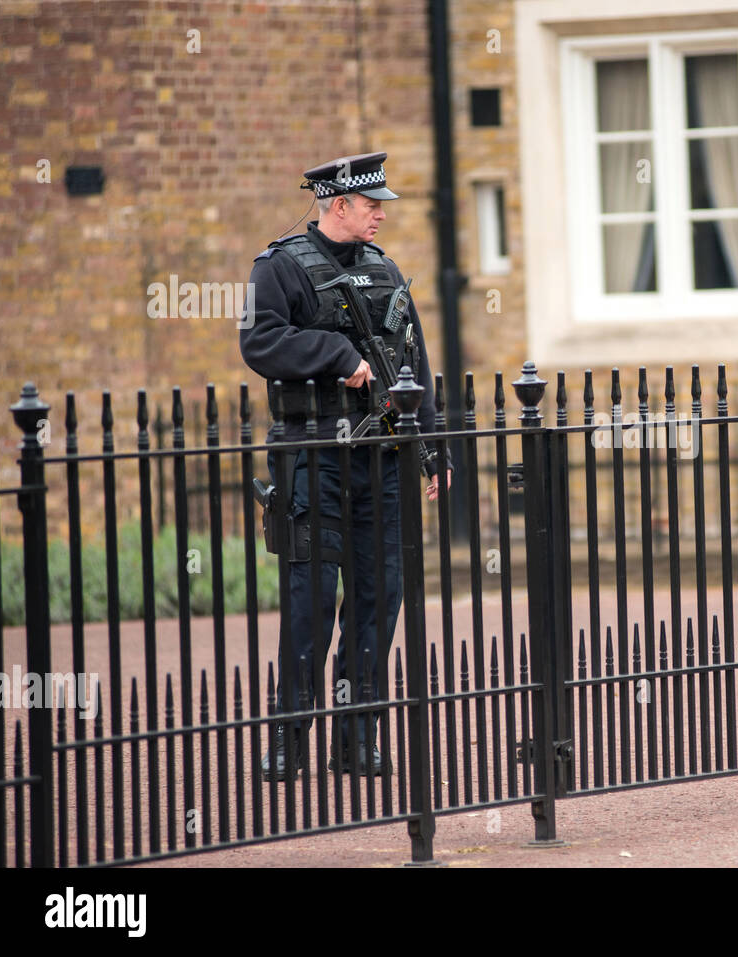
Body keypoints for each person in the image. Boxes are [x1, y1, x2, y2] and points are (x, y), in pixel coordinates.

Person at [241, 151, 450, 778]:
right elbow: (259, 341)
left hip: (381, 457)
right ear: (339, 205)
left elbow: (414, 360)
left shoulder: (386, 270)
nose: (381, 214)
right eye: (371, 204)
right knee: (310, 601)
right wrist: (334, 352)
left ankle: (359, 736)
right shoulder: (279, 267)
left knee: (377, 595)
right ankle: (289, 738)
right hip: (315, 456)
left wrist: (432, 449)